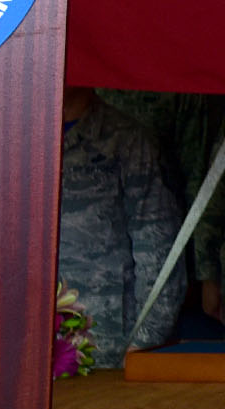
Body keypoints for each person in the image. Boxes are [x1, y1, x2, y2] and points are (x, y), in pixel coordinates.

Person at [56, 87, 185, 367]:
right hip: (25, 346)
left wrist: (146, 340)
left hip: (105, 343)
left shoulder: (126, 139)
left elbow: (157, 244)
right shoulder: (14, 133)